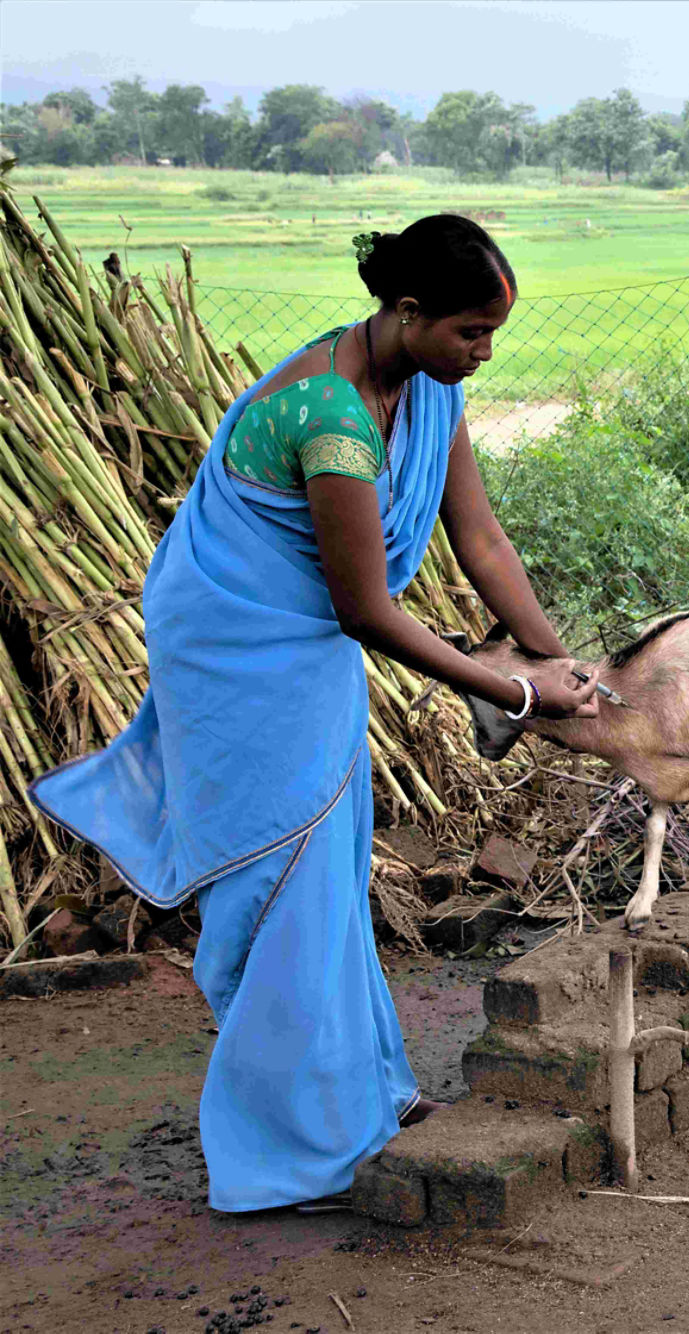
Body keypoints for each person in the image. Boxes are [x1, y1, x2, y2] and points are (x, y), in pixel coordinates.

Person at [30, 216, 598, 1213]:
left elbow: (484, 541)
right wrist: (511, 688)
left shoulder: (427, 389)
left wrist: (558, 661)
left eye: (493, 333)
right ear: (409, 311)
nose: (484, 353)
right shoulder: (328, 416)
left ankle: (359, 1100)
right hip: (243, 654)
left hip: (308, 649)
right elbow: (363, 609)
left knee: (327, 869)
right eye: (471, 331)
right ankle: (291, 1151)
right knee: (278, 881)